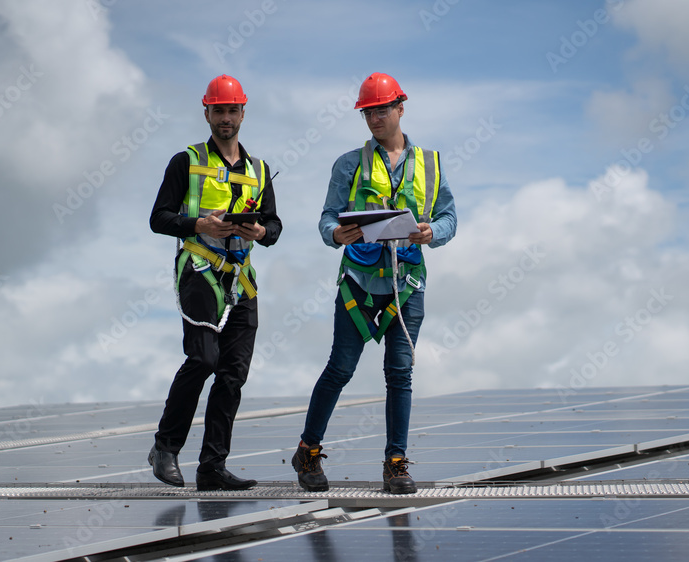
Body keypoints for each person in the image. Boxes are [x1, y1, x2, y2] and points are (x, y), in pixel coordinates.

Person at [291, 72, 457, 494]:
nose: (375, 118)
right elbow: (328, 217)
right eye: (368, 112)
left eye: (382, 109)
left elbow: (449, 218)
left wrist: (431, 232)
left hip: (406, 285)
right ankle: (308, 450)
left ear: (400, 107)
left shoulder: (431, 164)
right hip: (359, 285)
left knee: (400, 374)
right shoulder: (348, 164)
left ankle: (396, 463)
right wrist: (336, 234)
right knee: (340, 369)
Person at [147, 74, 281, 491]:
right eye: (219, 110)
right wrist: (198, 224)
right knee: (204, 360)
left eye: (232, 110)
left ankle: (212, 467)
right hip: (200, 273)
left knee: (232, 374)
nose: (226, 117)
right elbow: (159, 219)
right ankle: (165, 447)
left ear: (243, 112)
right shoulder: (184, 161)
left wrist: (260, 233)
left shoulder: (259, 169)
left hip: (242, 280)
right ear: (207, 112)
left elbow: (275, 225)